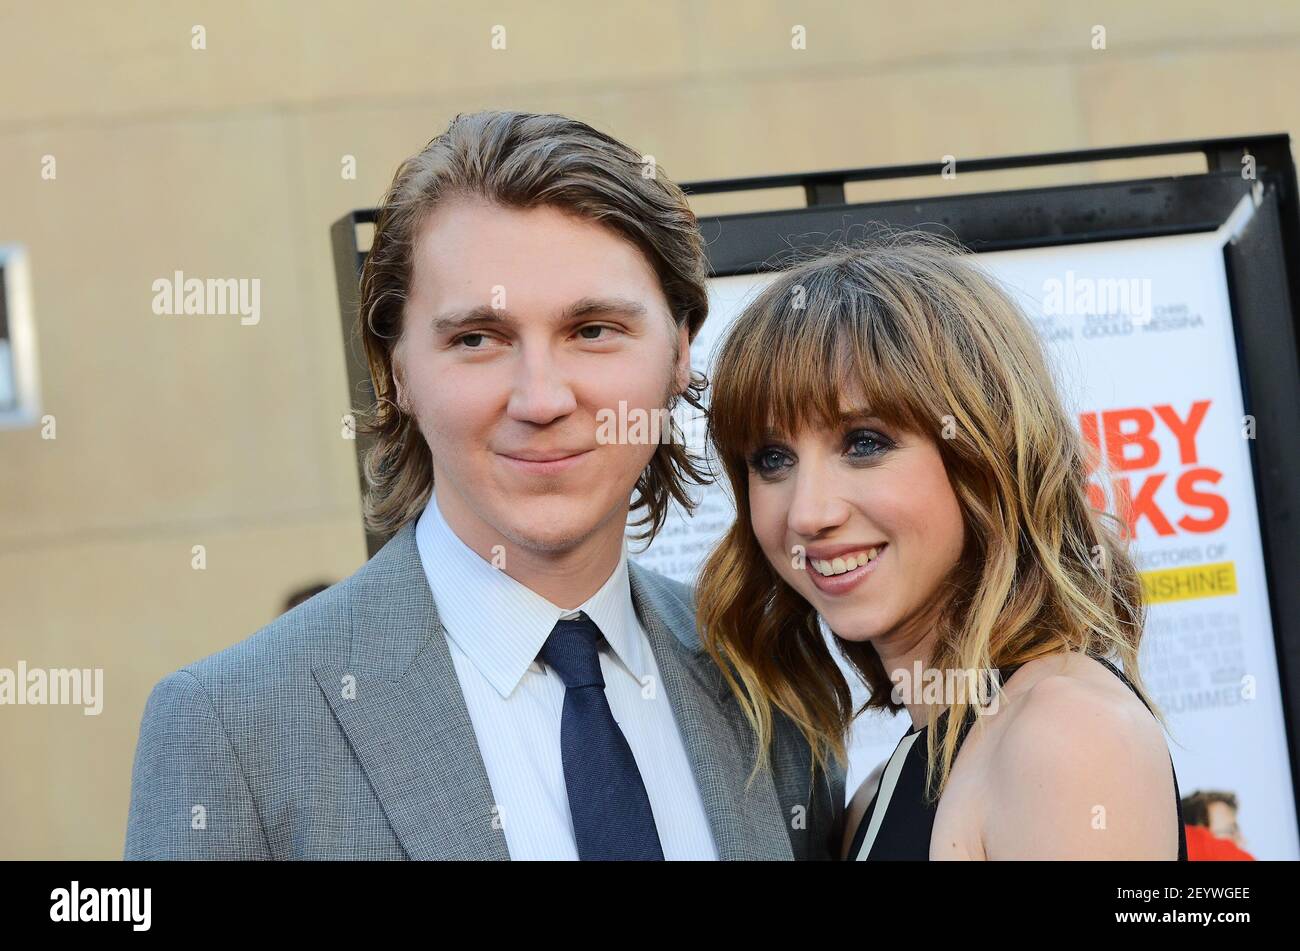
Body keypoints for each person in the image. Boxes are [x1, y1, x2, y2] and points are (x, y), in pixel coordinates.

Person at [124, 110, 844, 860]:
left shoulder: (765, 678)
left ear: (680, 352)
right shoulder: (234, 727)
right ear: (398, 372)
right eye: (477, 339)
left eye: (593, 329)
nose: (541, 399)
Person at [695, 233, 1187, 860]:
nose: (809, 512)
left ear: (985, 455)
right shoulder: (878, 792)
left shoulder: (1064, 734)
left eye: (865, 443)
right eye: (771, 458)